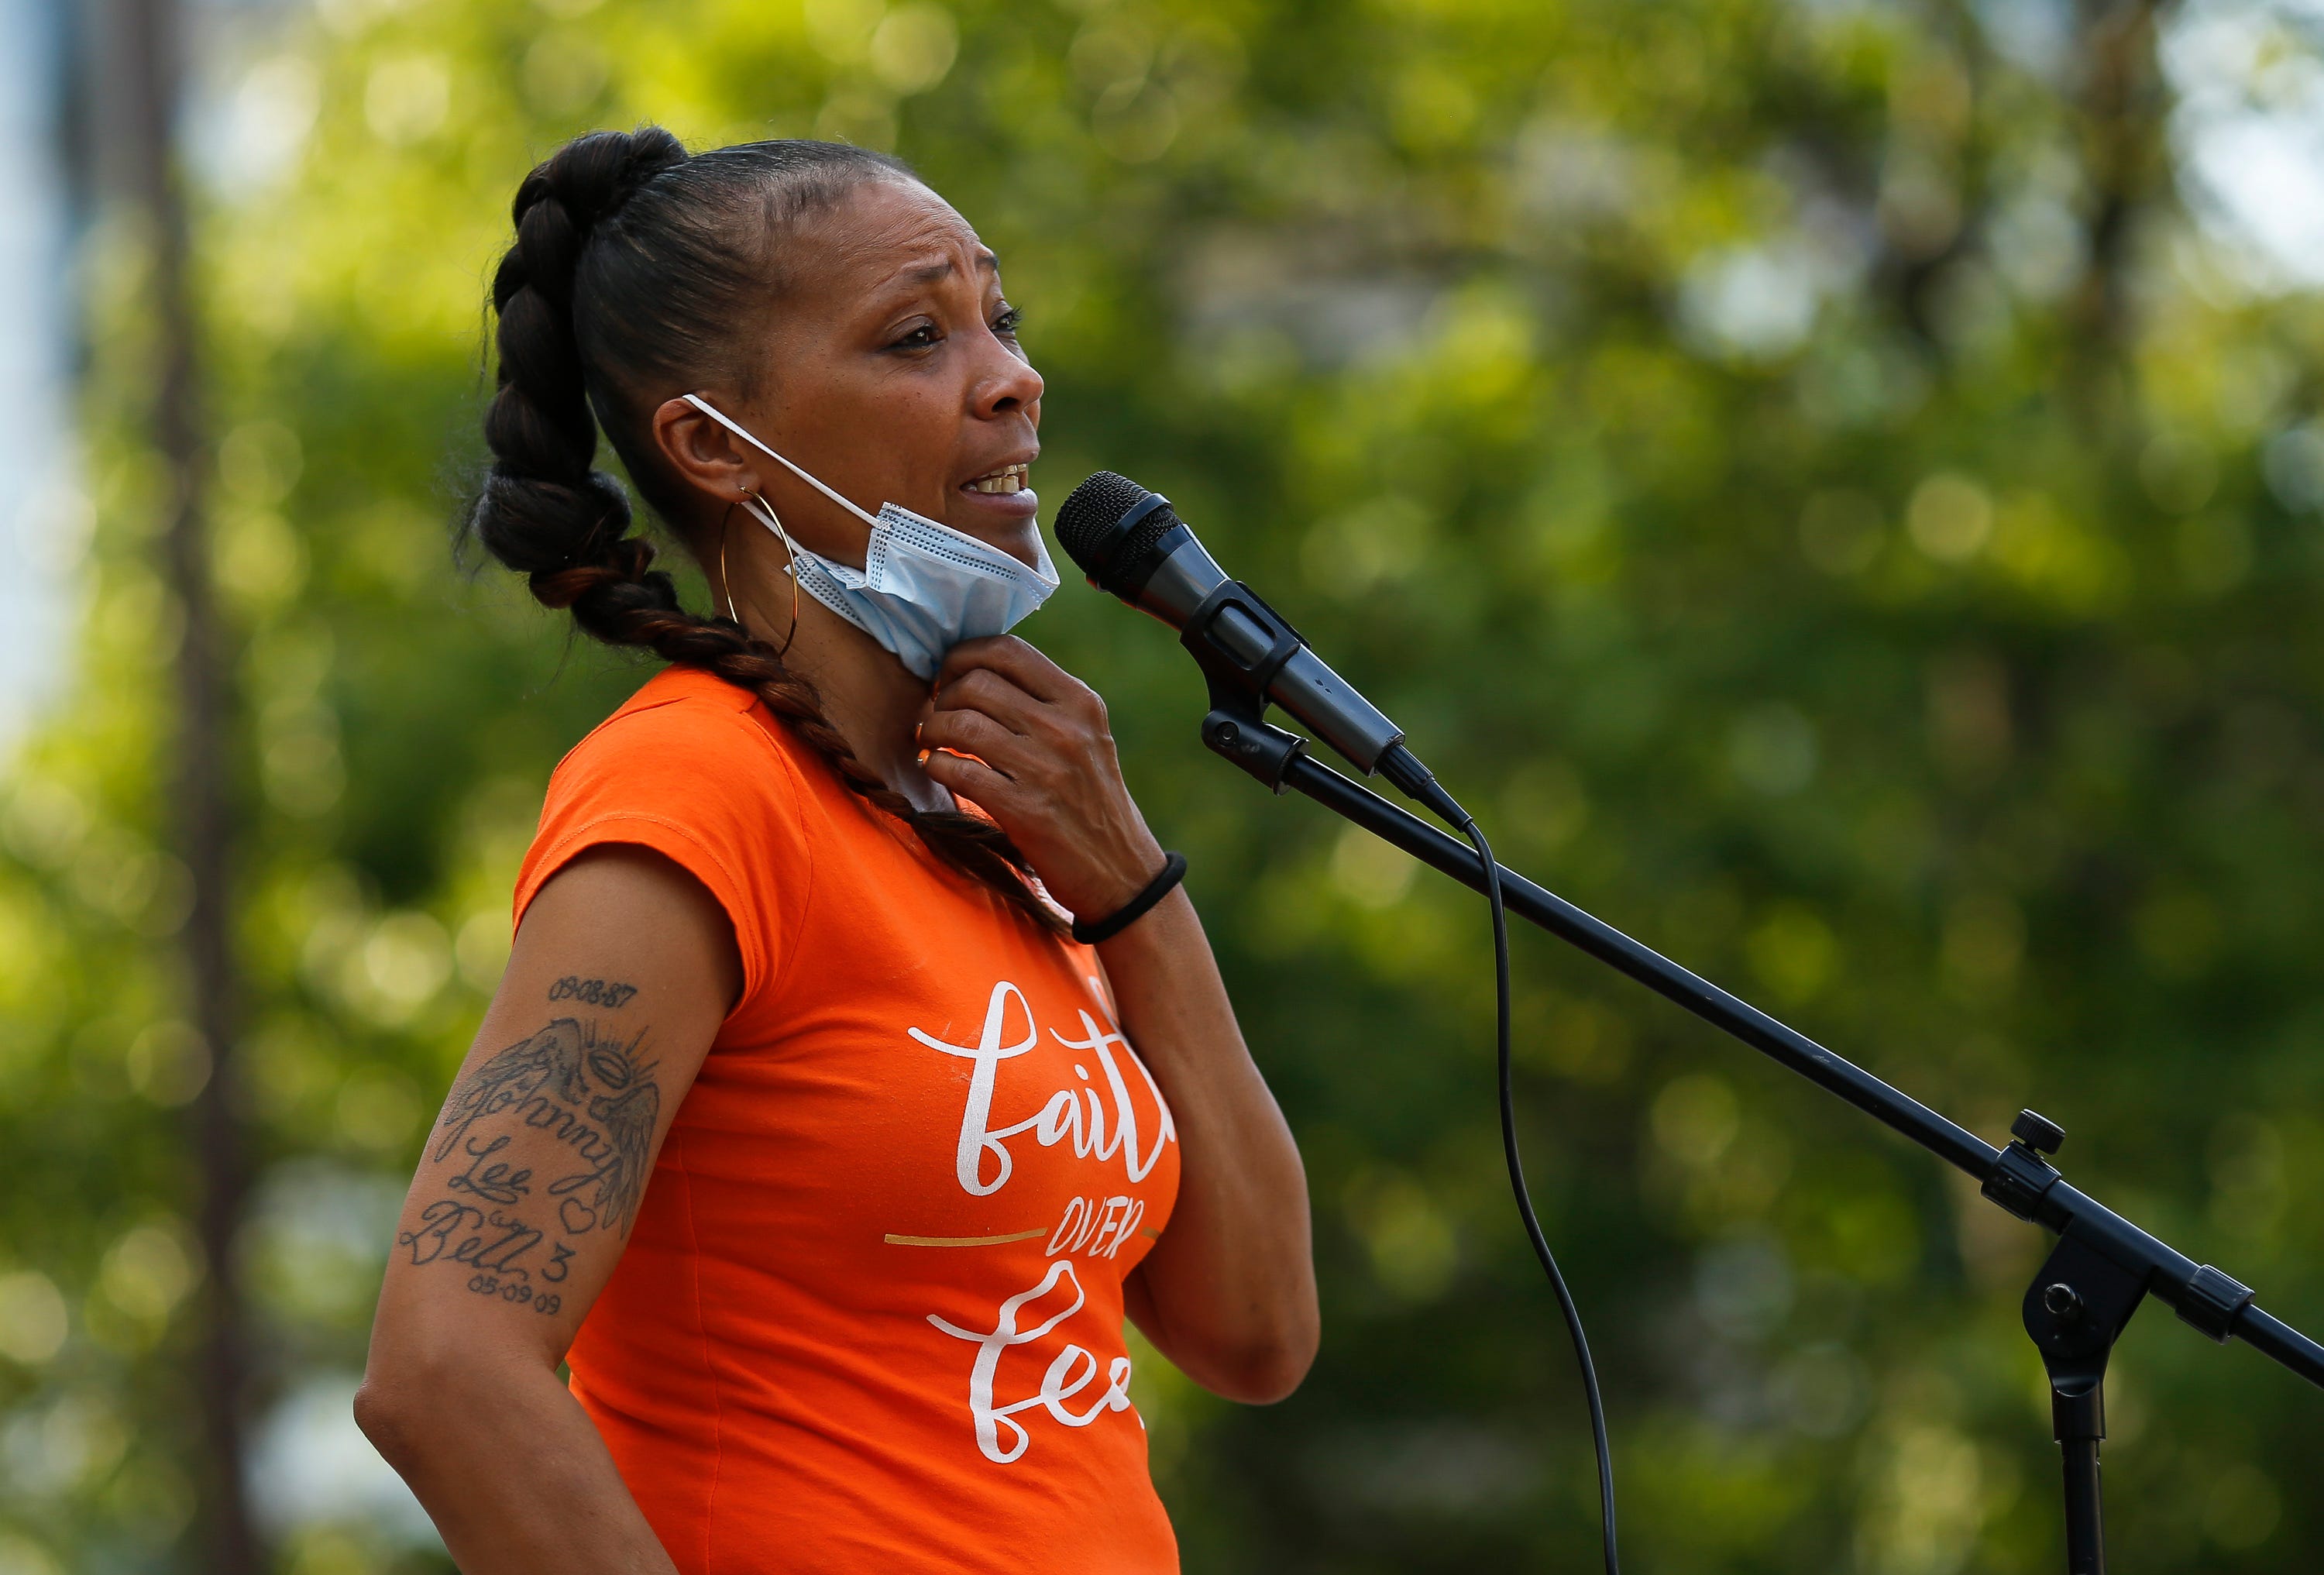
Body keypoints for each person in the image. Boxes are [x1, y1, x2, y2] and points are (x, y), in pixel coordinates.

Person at [353, 128, 1318, 1573]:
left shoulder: (1005, 821)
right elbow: (444, 1367)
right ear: (713, 445)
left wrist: (1136, 894)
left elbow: (1254, 1332)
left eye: (1004, 320)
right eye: (918, 336)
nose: (1011, 377)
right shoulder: (694, 793)